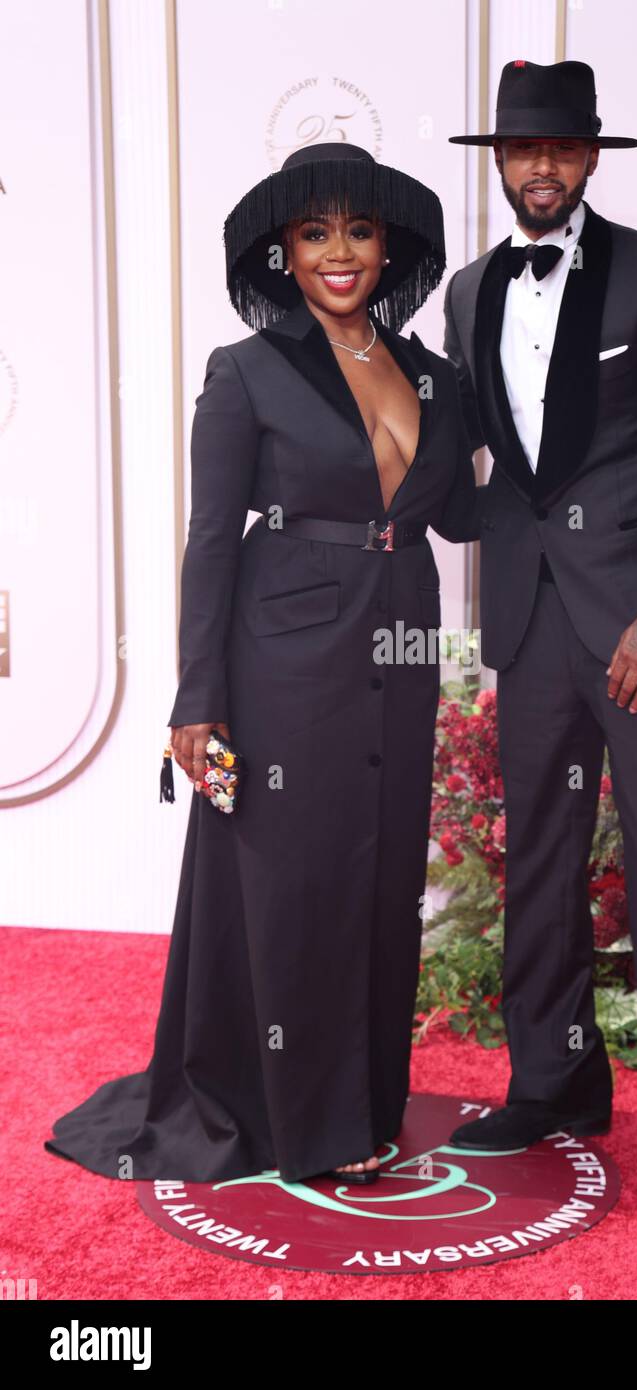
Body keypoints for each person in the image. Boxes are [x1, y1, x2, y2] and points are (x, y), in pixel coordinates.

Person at [44, 143, 478, 1187]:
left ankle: (361, 1105)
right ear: (283, 252)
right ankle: (276, 1115)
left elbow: (459, 515)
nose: (340, 254)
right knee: (289, 882)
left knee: (378, 875)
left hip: (401, 638)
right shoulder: (246, 370)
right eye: (315, 233)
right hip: (282, 656)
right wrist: (197, 698)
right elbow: (208, 538)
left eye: (359, 231)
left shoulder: (430, 373)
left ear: (388, 246)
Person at [442, 60, 637, 1198]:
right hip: (528, 617)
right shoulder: (468, 292)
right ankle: (554, 1082)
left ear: (590, 159)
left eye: (560, 150)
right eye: (522, 151)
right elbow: (473, 464)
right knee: (539, 862)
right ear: (501, 164)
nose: (540, 168)